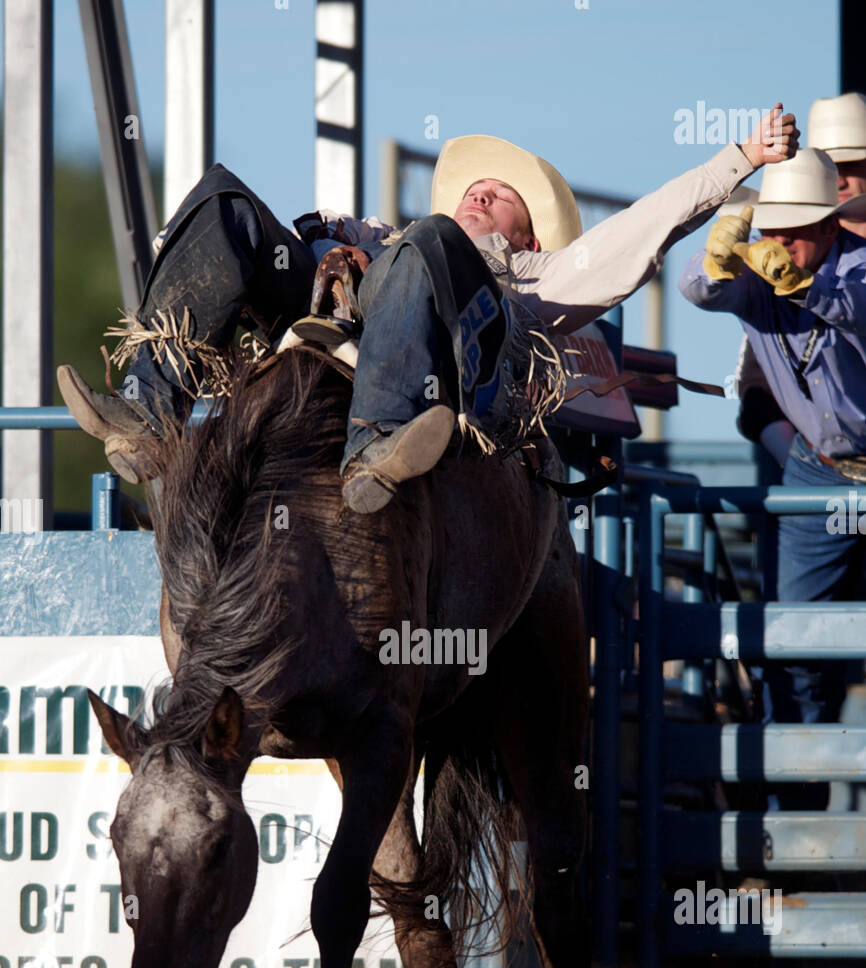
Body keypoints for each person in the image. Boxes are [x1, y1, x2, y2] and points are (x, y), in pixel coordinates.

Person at [59, 109, 797, 514]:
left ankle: (378, 443)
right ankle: (151, 410)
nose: (481, 192)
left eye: (500, 195)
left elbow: (647, 223)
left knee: (430, 244)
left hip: (456, 365)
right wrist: (332, 252)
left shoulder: (545, 278)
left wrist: (738, 158)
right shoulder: (385, 238)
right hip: (344, 312)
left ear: (529, 232)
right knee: (224, 199)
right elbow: (318, 236)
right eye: (475, 186)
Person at [679, 148, 866, 810]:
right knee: (791, 647)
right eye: (771, 226)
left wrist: (807, 289)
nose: (778, 240)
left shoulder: (858, 269)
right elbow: (698, 290)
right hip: (819, 474)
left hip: (824, 474)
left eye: (794, 228)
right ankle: (801, 831)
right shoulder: (764, 269)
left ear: (829, 224)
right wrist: (723, 244)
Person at [737, 93, 866, 461]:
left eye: (851, 163)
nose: (838, 177)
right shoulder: (784, 259)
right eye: (826, 166)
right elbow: (756, 388)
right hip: (817, 468)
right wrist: (799, 463)